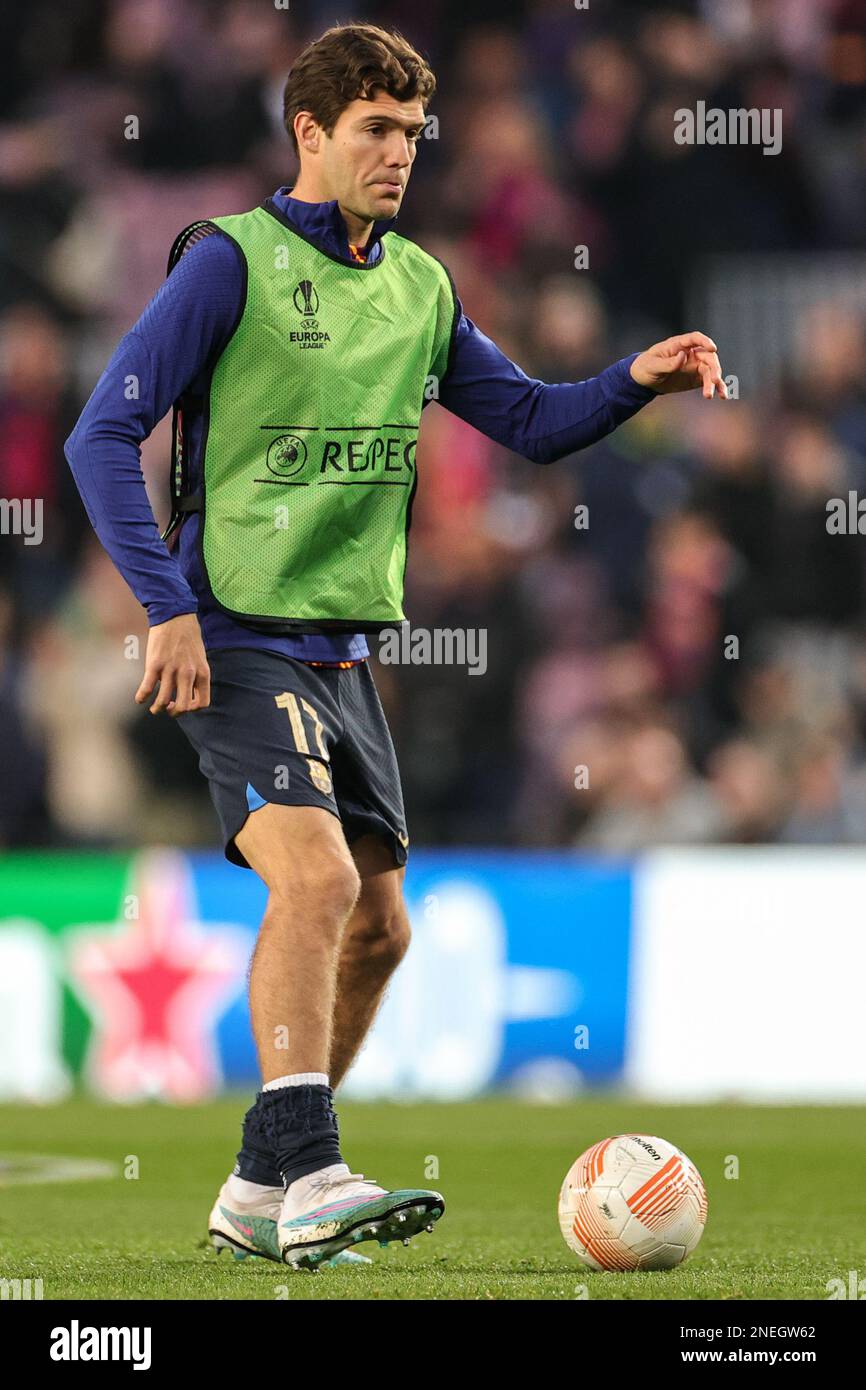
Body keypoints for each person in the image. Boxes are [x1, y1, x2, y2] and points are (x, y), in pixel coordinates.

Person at [65, 21, 727, 1271]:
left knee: (381, 931)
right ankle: (313, 1170)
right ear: (308, 133)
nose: (398, 154)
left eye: (412, 134)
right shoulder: (227, 265)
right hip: (235, 633)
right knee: (312, 883)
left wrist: (631, 378)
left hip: (343, 651)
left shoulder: (419, 285)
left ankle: (256, 1195)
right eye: (374, 129)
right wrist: (165, 608)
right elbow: (101, 433)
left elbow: (525, 420)